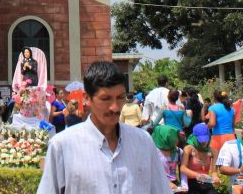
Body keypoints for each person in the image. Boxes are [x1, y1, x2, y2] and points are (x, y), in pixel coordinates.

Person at [37, 61, 172, 193]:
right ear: (87, 98)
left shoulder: (143, 142)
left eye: (120, 97)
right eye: (105, 98)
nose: (114, 107)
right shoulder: (62, 146)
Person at [181, 123, 221, 194]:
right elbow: (183, 168)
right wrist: (198, 175)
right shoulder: (189, 149)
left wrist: (215, 178)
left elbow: (214, 171)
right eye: (201, 140)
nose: (203, 142)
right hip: (192, 183)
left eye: (205, 139)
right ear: (194, 137)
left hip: (207, 183)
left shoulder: (213, 151)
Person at [152, 125, 188, 191]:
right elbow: (153, 172)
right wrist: (167, 183)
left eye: (176, 137)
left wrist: (184, 186)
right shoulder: (154, 151)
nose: (176, 140)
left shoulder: (178, 151)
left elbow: (183, 170)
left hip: (174, 185)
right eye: (173, 137)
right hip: (159, 184)